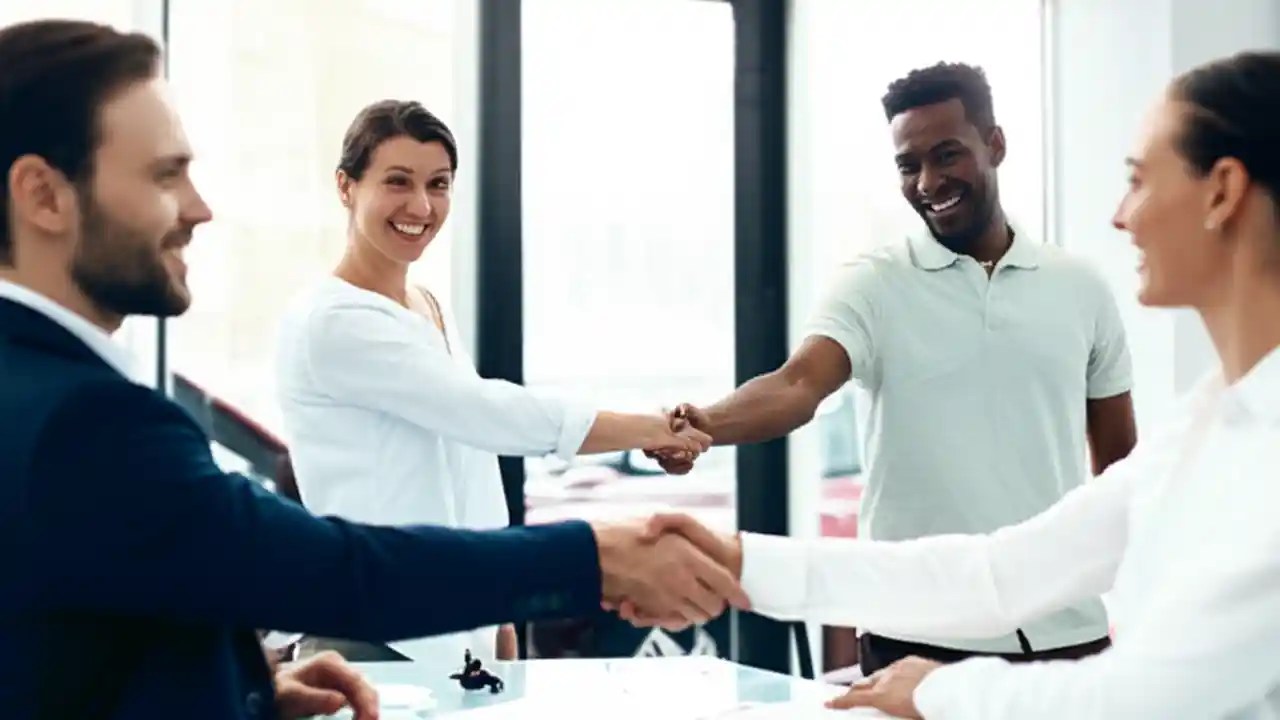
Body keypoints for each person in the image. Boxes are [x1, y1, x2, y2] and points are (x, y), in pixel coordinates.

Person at [0, 19, 747, 719]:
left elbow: (84, 626)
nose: (200, 209)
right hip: (389, 632)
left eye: (439, 181)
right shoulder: (89, 417)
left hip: (445, 635)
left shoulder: (43, 389)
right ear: (42, 195)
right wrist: (593, 556)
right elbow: (321, 562)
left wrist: (250, 690)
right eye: (167, 175)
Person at [631, 49, 1280, 719]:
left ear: (1223, 191)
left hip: (1059, 647)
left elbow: (1152, 699)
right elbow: (999, 572)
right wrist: (738, 563)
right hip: (924, 630)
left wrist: (938, 692)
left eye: (1139, 180)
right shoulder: (1205, 425)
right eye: (909, 165)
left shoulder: (1257, 445)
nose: (1122, 214)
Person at [653, 61, 1138, 673]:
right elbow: (798, 385)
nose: (929, 181)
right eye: (909, 166)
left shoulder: (1081, 287)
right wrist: (704, 423)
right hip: (915, 631)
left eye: (947, 155)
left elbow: (1120, 463)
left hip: (1063, 632)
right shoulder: (874, 283)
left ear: (995, 145)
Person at [274, 100, 709, 665]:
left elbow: (465, 458)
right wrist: (648, 426)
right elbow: (486, 413)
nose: (421, 206)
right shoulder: (332, 321)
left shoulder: (424, 303)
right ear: (346, 186)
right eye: (398, 182)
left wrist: (496, 609)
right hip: (374, 636)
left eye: (439, 184)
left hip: (450, 631)